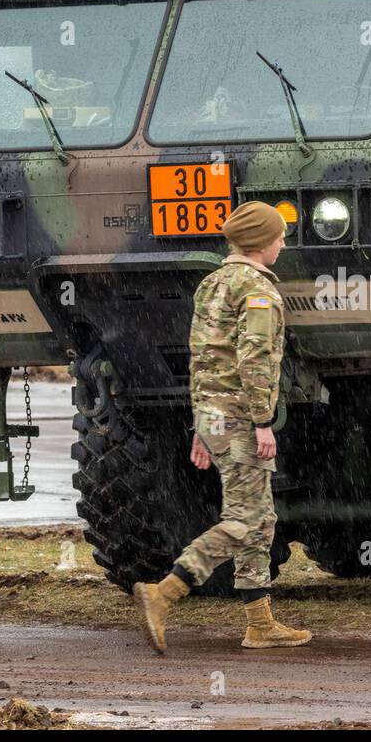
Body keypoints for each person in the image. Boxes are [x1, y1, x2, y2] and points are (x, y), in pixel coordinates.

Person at [132, 201, 311, 653]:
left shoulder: (211, 284)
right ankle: (165, 592)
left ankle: (260, 624)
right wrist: (263, 422)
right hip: (240, 417)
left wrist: (201, 425)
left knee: (260, 518)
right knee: (244, 518)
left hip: (215, 415)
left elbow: (203, 359)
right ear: (260, 243)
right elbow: (256, 360)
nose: (284, 243)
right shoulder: (259, 290)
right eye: (279, 236)